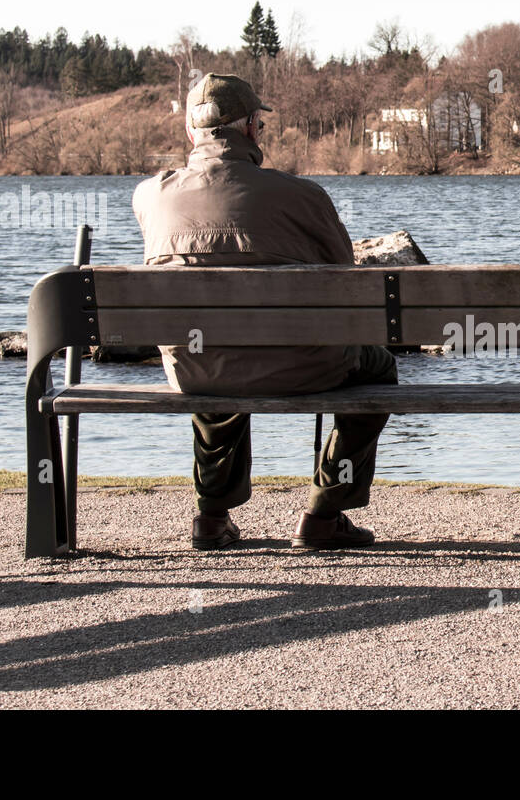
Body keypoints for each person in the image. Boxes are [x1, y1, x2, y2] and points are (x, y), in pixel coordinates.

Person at [132, 73, 397, 551]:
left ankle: (212, 516)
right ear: (253, 128)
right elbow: (347, 280)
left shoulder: (150, 196)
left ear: (192, 132)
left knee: (212, 349)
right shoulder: (303, 196)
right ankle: (324, 512)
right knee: (378, 371)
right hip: (304, 364)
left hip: (195, 369)